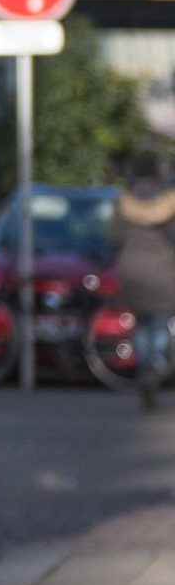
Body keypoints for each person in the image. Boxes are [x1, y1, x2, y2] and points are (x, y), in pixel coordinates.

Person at [110, 149, 175, 409]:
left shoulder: (123, 202)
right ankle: (155, 367)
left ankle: (143, 367)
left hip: (131, 269)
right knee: (160, 323)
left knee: (141, 324)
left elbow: (112, 237)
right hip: (162, 269)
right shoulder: (169, 202)